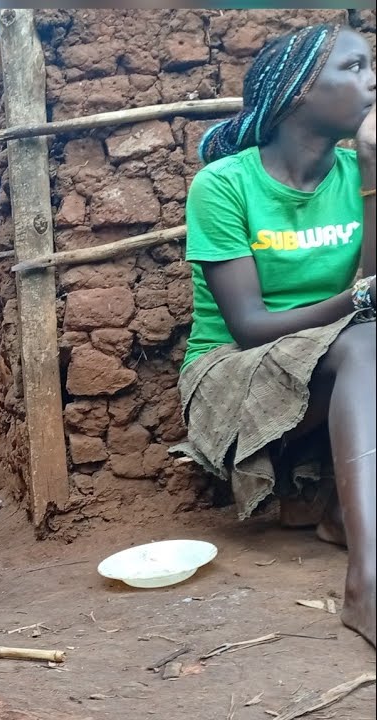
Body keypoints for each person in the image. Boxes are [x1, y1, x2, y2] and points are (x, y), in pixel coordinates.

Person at [175, 23, 375, 646]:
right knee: (366, 341)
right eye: (355, 67)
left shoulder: (354, 173)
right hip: (232, 373)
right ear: (298, 94)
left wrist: (372, 173)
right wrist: (359, 300)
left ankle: (344, 514)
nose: (372, 82)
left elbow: (371, 288)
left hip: (337, 361)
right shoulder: (225, 184)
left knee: (366, 341)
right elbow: (249, 326)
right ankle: (368, 582)